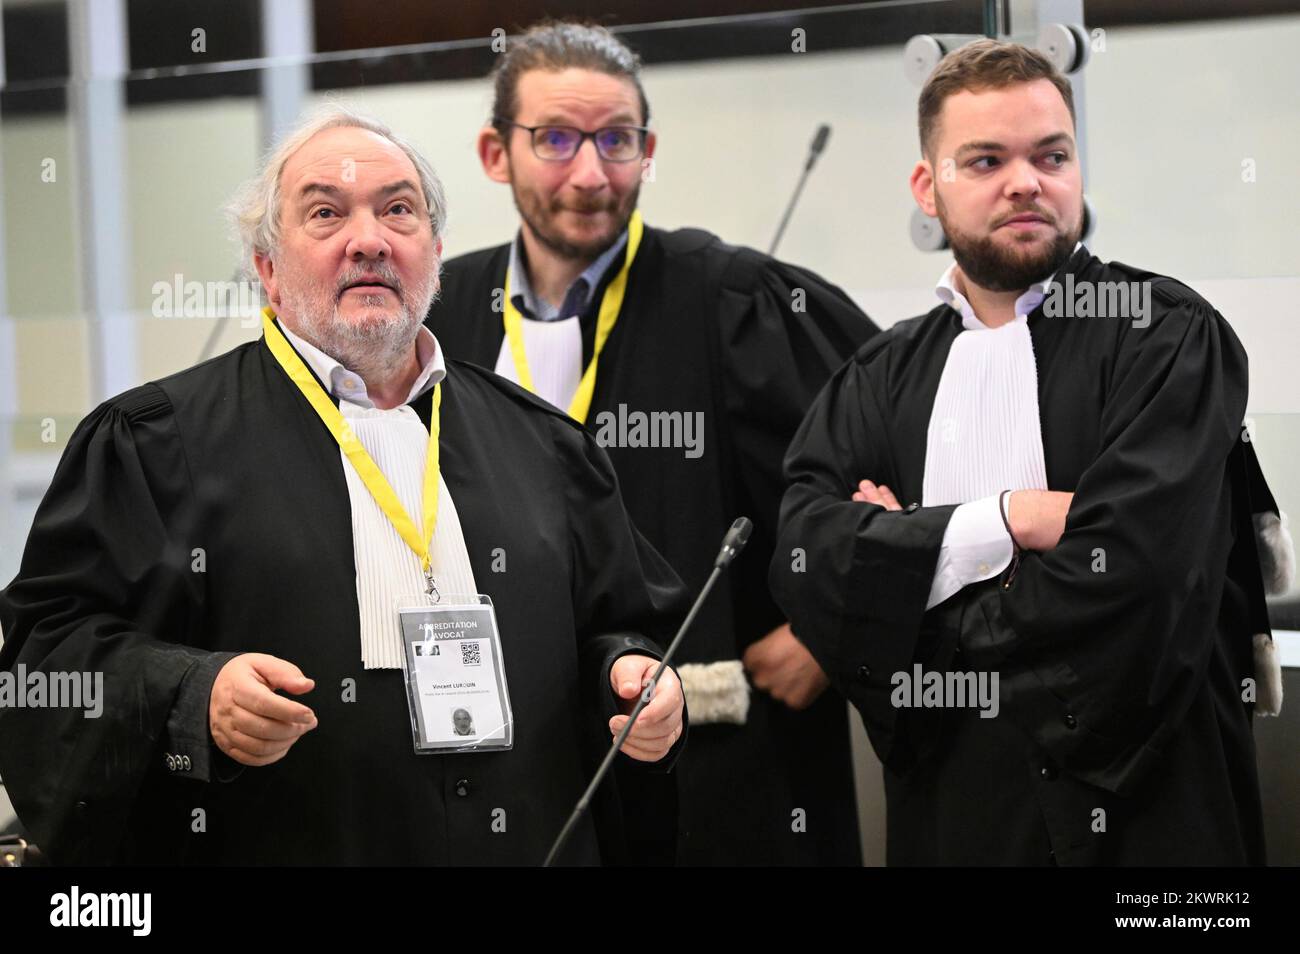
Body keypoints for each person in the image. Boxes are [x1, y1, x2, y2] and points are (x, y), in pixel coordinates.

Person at [0, 105, 689, 866]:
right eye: (326, 213)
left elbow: (617, 627)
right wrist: (194, 695)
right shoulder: (153, 443)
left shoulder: (545, 444)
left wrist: (628, 679)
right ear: (266, 268)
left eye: (398, 210)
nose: (370, 239)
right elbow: (48, 661)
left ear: (434, 249)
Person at [770, 39, 1287, 865]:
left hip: (1150, 822)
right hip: (949, 817)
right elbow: (808, 561)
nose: (1026, 182)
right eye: (984, 160)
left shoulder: (1168, 335)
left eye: (1051, 155)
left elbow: (1141, 576)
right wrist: (1005, 521)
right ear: (926, 188)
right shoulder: (877, 376)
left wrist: (911, 572)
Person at [427, 20, 877, 865]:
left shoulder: (732, 300)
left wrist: (831, 629)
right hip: (508, 758)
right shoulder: (441, 314)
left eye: (617, 140)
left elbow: (884, 468)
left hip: (726, 771)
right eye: (556, 140)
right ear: (496, 153)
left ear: (647, 149)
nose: (591, 173)